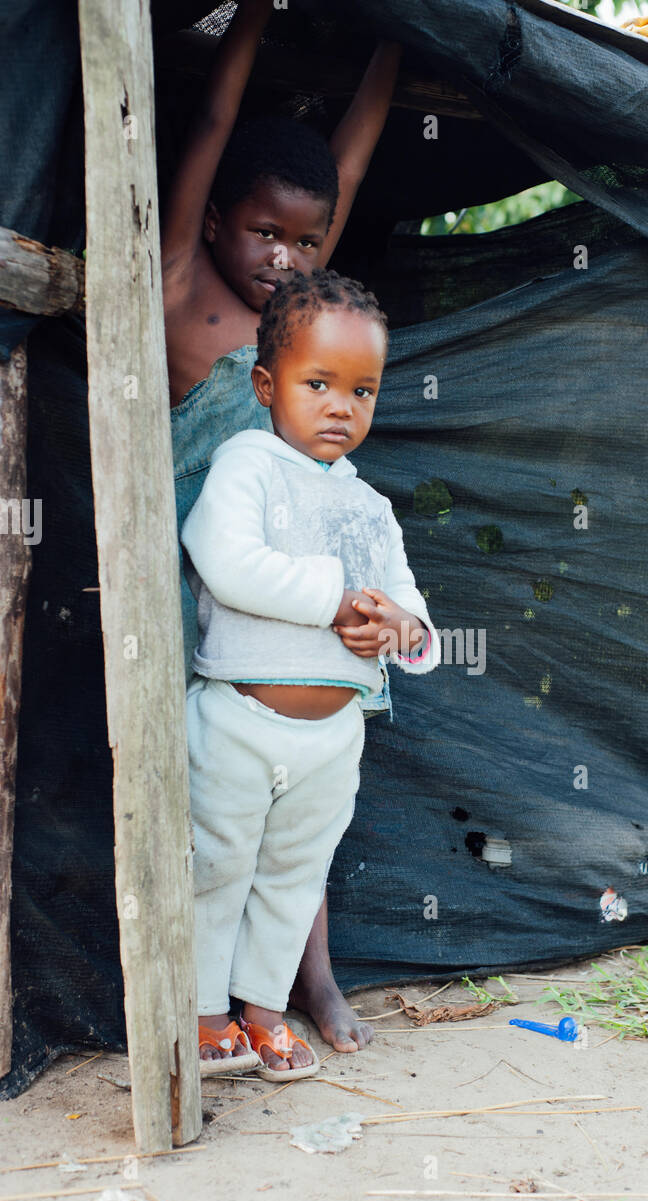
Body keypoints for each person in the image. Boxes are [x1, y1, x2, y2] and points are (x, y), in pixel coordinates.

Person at [161, 0, 403, 1061]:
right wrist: (253, 14)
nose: (285, 256)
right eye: (265, 231)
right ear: (216, 219)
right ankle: (202, 995)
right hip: (199, 586)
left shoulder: (301, 314)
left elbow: (348, 158)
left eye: (306, 240)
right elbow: (213, 117)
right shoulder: (179, 289)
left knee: (307, 810)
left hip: (311, 594)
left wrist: (403, 37)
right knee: (219, 821)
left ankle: (307, 983)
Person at [183, 268, 441, 1077]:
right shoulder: (246, 463)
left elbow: (412, 610)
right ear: (266, 385)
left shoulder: (370, 505)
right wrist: (334, 602)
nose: (341, 406)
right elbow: (226, 563)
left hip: (335, 737)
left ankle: (263, 1009)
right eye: (318, 383)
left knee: (294, 876)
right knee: (216, 866)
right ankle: (200, 1011)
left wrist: (404, 629)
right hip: (238, 721)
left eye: (362, 390)